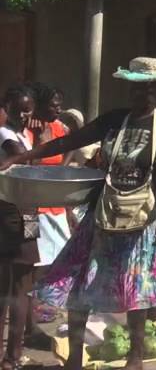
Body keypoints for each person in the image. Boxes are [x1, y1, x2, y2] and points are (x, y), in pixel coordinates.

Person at [1, 57, 156, 370]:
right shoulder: (114, 120)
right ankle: (75, 357)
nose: (141, 94)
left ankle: (135, 357)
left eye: (149, 89)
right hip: (102, 214)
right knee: (79, 282)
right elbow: (69, 141)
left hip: (141, 219)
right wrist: (23, 156)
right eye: (136, 88)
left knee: (136, 289)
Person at [0, 85, 38, 370]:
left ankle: (14, 353)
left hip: (28, 213)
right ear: (7, 108)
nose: (24, 115)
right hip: (14, 215)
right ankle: (12, 357)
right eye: (19, 110)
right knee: (15, 287)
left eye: (28, 110)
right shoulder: (6, 135)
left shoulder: (23, 134)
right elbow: (22, 158)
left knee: (21, 284)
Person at [26, 84, 72, 269]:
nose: (59, 110)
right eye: (54, 106)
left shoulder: (58, 128)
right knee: (33, 255)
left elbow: (71, 144)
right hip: (31, 206)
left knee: (62, 255)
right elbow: (28, 166)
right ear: (40, 106)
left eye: (60, 105)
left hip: (56, 203)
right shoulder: (27, 130)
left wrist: (61, 169)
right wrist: (38, 139)